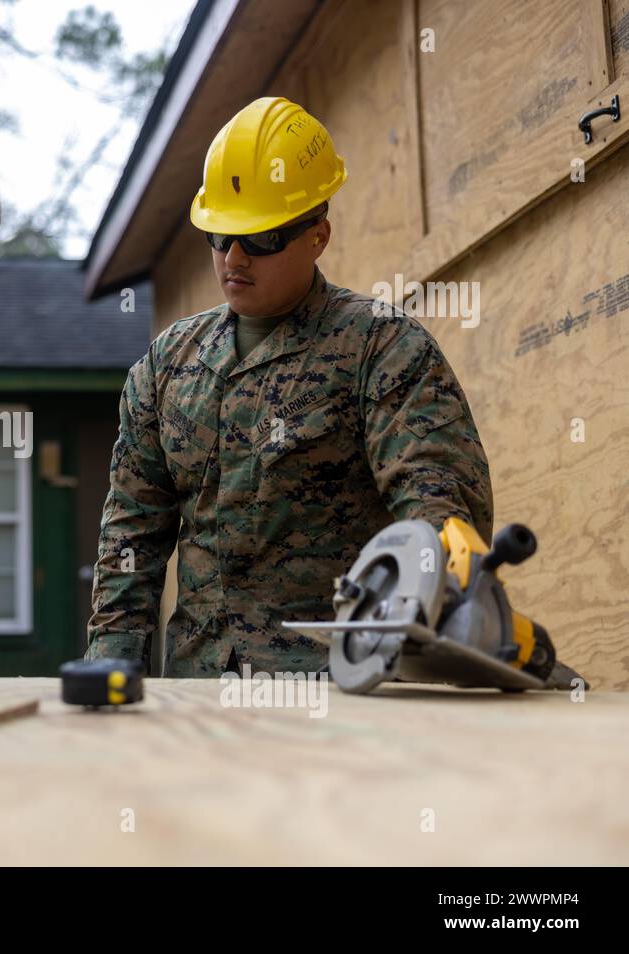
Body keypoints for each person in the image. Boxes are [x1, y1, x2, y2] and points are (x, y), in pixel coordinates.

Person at [86, 97, 491, 677]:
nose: (235, 257)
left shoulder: (380, 348)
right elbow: (132, 531)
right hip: (203, 687)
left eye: (263, 238)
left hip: (341, 685)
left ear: (318, 234)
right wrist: (110, 670)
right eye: (220, 235)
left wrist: (415, 647)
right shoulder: (169, 364)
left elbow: (442, 512)